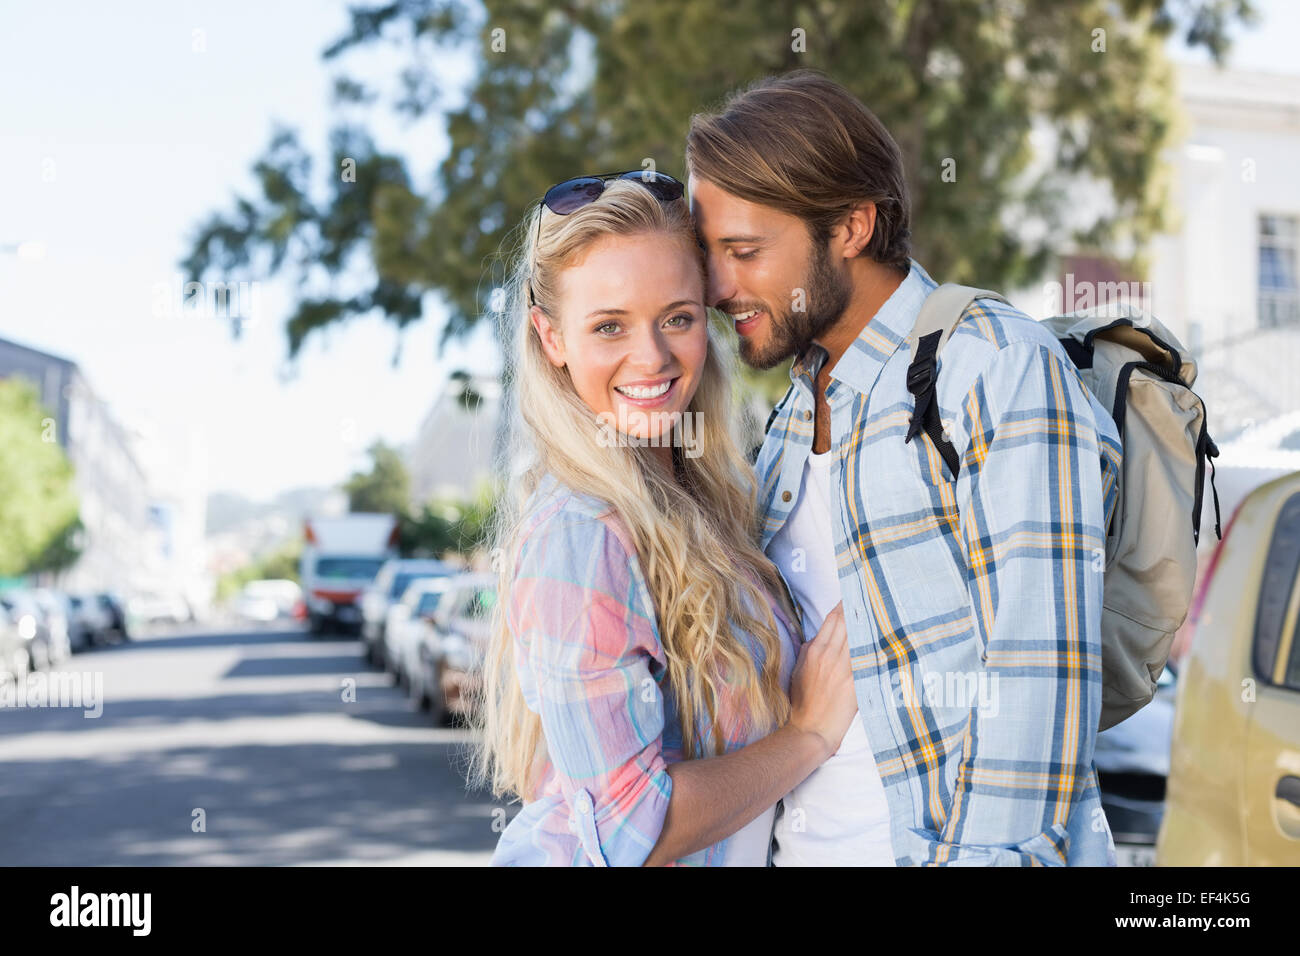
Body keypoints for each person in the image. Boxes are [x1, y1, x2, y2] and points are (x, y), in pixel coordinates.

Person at [687, 71, 1123, 866]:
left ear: (852, 226)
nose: (718, 287)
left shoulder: (990, 365)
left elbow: (1037, 683)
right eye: (708, 253)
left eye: (744, 252)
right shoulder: (789, 417)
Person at [473, 172, 859, 866]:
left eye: (677, 317)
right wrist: (807, 735)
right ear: (551, 337)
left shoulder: (708, 497)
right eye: (609, 326)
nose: (651, 356)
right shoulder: (582, 532)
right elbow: (632, 835)